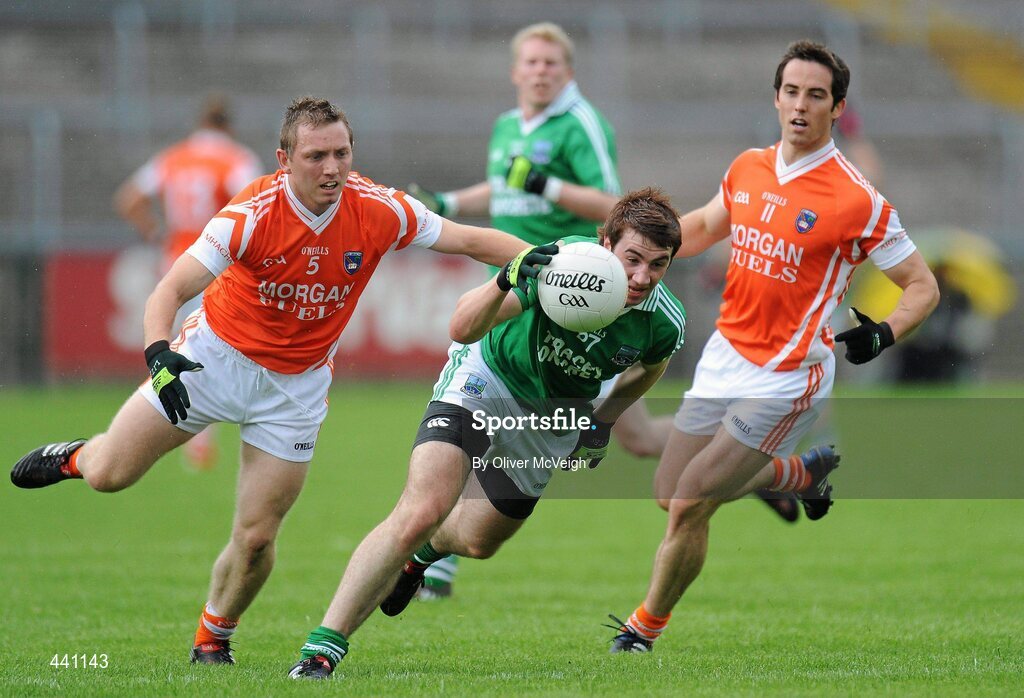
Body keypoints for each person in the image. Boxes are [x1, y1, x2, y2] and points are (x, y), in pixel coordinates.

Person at [10, 96, 533, 666]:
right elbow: (169, 290)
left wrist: (542, 261)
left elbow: (471, 240)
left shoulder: (379, 208)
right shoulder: (252, 212)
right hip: (212, 359)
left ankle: (213, 637)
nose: (332, 168)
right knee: (111, 475)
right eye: (316, 156)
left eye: (342, 153)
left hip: (295, 389)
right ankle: (75, 457)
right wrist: (159, 353)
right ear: (285, 159)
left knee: (257, 536)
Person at [606, 40, 940, 653]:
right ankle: (794, 476)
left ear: (837, 108)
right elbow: (703, 227)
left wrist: (885, 331)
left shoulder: (856, 199)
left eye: (816, 95)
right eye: (791, 91)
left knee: (688, 505)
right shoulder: (749, 166)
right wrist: (621, 258)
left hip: (788, 377)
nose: (800, 105)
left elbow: (923, 285)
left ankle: (643, 628)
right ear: (776, 97)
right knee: (667, 492)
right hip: (725, 356)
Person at [287, 188, 687, 679]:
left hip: (553, 417)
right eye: (632, 259)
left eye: (658, 265)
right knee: (422, 509)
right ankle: (321, 650)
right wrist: (504, 281)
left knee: (478, 541)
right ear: (605, 242)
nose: (642, 277)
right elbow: (461, 327)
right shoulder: (563, 267)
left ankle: (423, 555)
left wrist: (604, 422)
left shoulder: (664, 321)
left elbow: (651, 367)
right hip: (488, 377)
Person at [408, 21, 625, 597]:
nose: (540, 71)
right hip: (511, 289)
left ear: (568, 72)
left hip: (567, 300)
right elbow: (506, 187)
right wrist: (449, 203)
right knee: (476, 412)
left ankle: (750, 474)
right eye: (530, 63)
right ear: (515, 72)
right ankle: (433, 552)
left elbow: (612, 205)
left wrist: (548, 187)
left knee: (626, 434)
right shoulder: (509, 125)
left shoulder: (581, 124)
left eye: (551, 63)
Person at [113, 93, 263, 470]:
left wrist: (154, 232)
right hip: (218, 264)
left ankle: (176, 433)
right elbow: (259, 205)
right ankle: (206, 436)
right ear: (227, 126)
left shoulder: (174, 157)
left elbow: (129, 198)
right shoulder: (235, 158)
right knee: (219, 350)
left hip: (177, 261)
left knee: (183, 347)